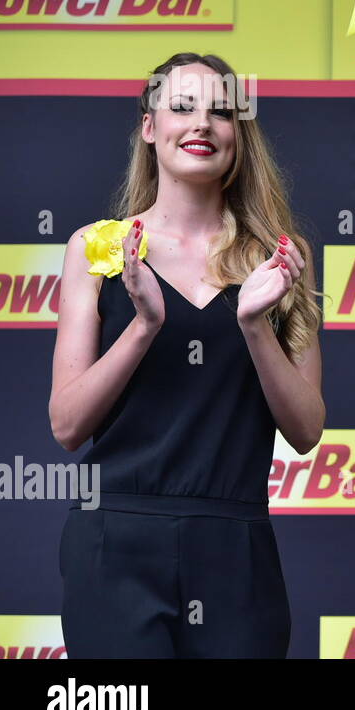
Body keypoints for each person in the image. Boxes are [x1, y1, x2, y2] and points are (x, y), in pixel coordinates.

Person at [49, 53, 325, 658]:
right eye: (182, 107)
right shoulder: (96, 249)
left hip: (237, 547)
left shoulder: (280, 257)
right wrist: (145, 325)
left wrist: (253, 325)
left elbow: (306, 430)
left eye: (221, 112)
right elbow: (67, 425)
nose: (202, 123)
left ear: (238, 134)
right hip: (115, 543)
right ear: (150, 127)